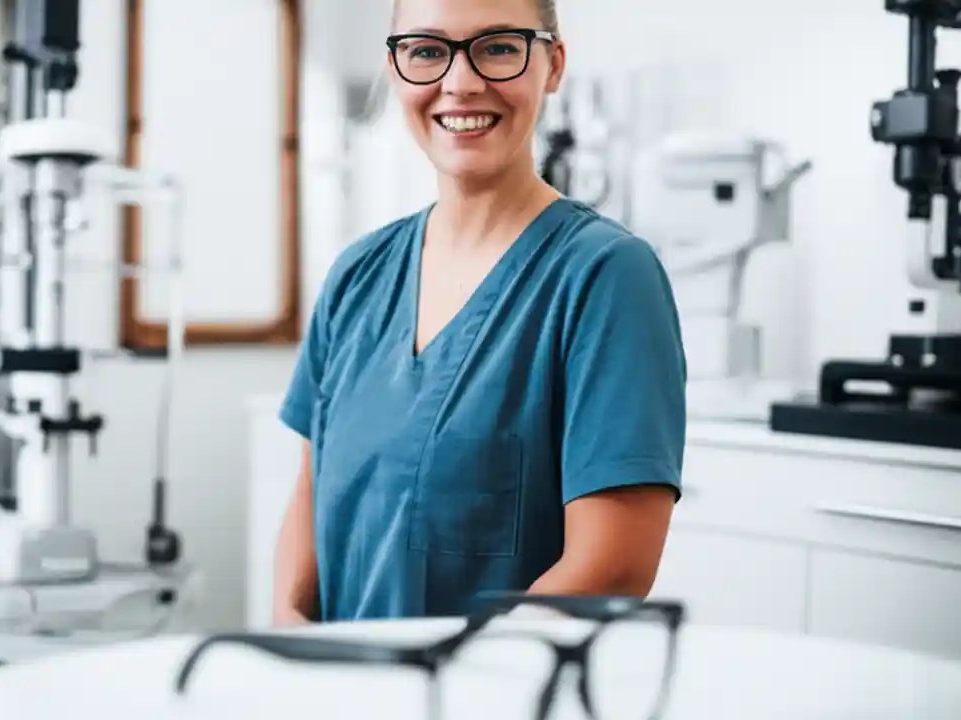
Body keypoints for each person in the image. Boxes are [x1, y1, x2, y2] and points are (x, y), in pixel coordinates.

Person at [272, 0, 686, 625]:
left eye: (498, 48)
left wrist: (442, 669)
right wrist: (293, 634)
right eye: (426, 51)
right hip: (340, 676)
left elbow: (614, 565)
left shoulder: (605, 277)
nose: (460, 82)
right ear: (396, 67)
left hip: (500, 679)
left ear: (553, 64)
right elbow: (309, 499)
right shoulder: (356, 276)